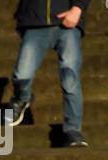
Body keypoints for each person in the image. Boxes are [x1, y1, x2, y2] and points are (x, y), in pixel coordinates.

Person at [10, 1, 89, 147]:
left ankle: (73, 129)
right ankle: (22, 98)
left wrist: (77, 8)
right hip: (34, 21)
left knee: (70, 76)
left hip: (68, 20)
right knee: (22, 75)